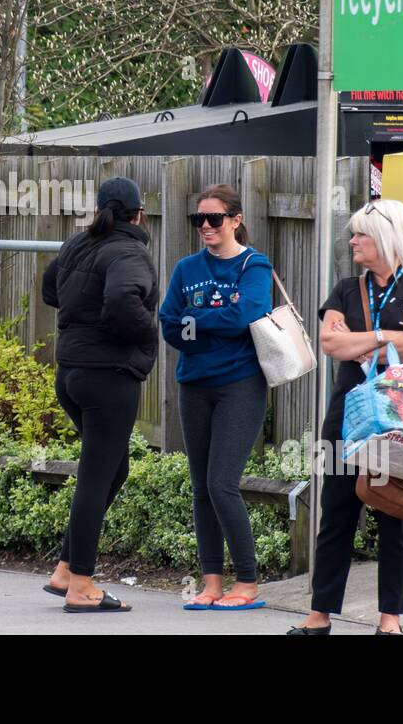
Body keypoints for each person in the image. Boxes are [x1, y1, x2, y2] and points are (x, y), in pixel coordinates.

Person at [288, 199, 403, 635]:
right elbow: (329, 343)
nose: (353, 240)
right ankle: (319, 615)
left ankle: (389, 620)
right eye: (354, 232)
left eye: (361, 234)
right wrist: (383, 337)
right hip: (346, 416)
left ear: (388, 238)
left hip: (402, 417)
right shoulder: (344, 289)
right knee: (335, 515)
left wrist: (363, 338)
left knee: (396, 512)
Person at [41, 176, 158, 613]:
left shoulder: (78, 244)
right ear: (138, 214)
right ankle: (82, 587)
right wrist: (148, 336)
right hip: (107, 376)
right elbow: (124, 300)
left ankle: (65, 569)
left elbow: (50, 289)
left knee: (114, 469)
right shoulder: (130, 250)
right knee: (95, 476)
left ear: (100, 210)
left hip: (71, 373)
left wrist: (86, 315)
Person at [158, 184, 273, 611]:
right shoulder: (187, 268)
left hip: (240, 385)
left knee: (222, 483)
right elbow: (169, 323)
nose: (205, 226)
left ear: (236, 221)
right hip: (194, 385)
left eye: (214, 219)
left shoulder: (254, 265)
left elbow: (248, 314)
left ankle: (248, 581)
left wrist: (197, 319)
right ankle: (211, 582)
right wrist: (214, 320)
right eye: (198, 219)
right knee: (201, 488)